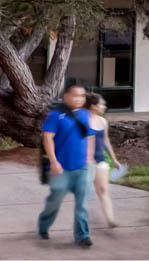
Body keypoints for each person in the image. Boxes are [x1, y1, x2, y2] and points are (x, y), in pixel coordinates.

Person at [38, 83, 96, 247]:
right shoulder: (55, 115)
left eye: (82, 96)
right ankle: (43, 225)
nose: (79, 99)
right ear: (66, 96)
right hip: (60, 168)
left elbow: (89, 136)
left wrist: (90, 157)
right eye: (76, 95)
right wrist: (54, 161)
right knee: (54, 202)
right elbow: (47, 138)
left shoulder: (85, 114)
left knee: (82, 204)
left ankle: (83, 236)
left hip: (82, 167)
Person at [85, 93, 121, 228]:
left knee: (103, 190)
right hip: (85, 162)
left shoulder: (103, 121)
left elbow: (106, 140)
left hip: (100, 160)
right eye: (102, 104)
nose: (104, 107)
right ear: (93, 106)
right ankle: (82, 222)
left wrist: (114, 159)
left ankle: (110, 220)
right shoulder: (82, 120)